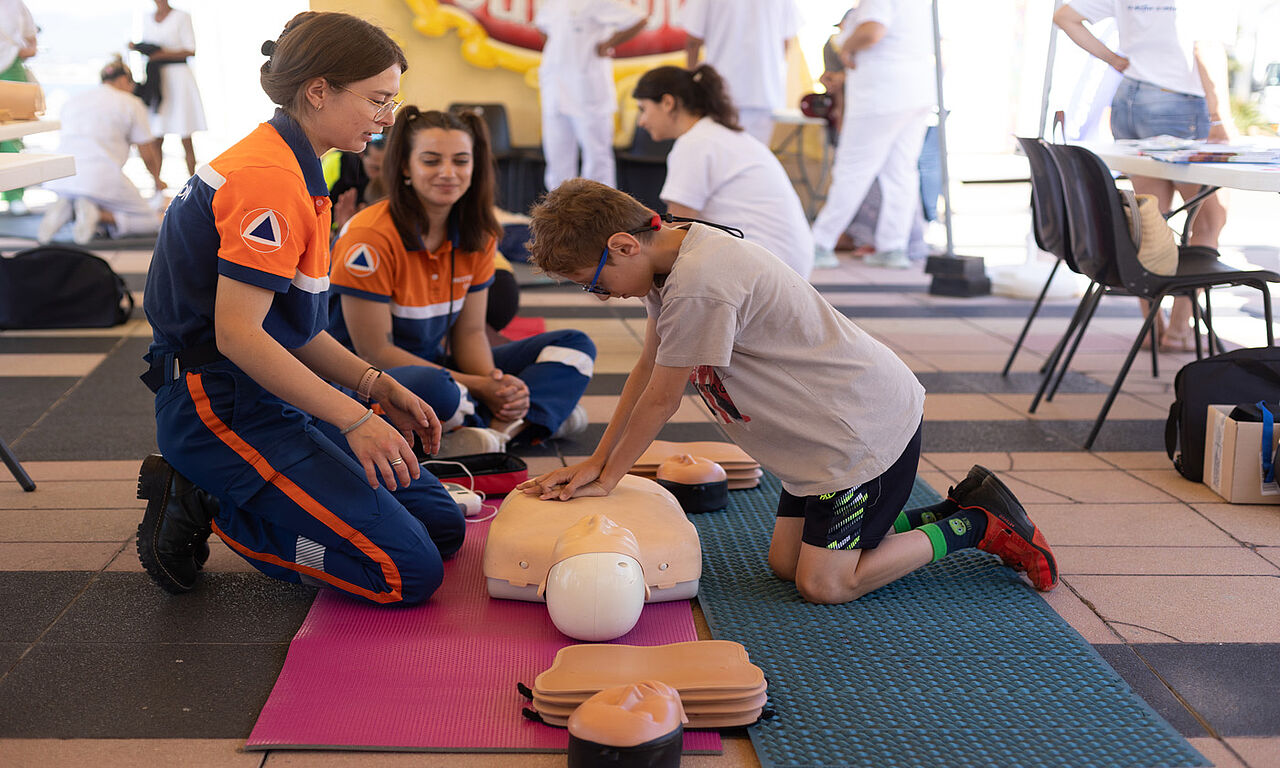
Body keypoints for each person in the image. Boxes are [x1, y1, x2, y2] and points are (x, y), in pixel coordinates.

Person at [517, 179, 1059, 604]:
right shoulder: (669, 254)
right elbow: (647, 367)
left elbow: (662, 398)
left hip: (856, 440)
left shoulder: (701, 283)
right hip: (816, 445)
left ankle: (977, 524)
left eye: (593, 284)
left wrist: (610, 478)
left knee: (825, 585)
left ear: (624, 244)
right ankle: (950, 508)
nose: (600, 297)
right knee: (787, 563)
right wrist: (597, 461)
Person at [137, 12, 464, 606]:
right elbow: (239, 337)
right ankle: (215, 504)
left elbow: (291, 330)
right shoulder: (269, 180)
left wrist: (375, 385)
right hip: (219, 408)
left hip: (267, 391)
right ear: (318, 91)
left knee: (442, 529)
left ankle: (249, 490)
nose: (388, 118)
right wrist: (356, 419)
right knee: (406, 573)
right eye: (377, 100)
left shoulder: (296, 163)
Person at [328, 107, 596, 455]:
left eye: (460, 160)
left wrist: (494, 385)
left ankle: (492, 430)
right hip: (370, 380)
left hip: (439, 369)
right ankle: (532, 421)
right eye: (431, 160)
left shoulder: (479, 233)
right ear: (406, 167)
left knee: (575, 346)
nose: (448, 173)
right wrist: (480, 387)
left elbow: (470, 334)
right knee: (435, 386)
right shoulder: (368, 236)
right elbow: (375, 353)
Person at [1053, 0, 1235, 352]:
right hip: (1179, 102)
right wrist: (1218, 117)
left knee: (1151, 219)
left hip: (1130, 98)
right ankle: (1179, 328)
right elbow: (1206, 47)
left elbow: (1065, 17)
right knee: (1212, 216)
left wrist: (1113, 59)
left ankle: (1153, 326)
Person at [632, 64, 814, 279]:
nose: (641, 122)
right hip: (787, 265)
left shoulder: (695, 143)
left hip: (768, 269)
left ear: (668, 103)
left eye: (643, 109)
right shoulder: (717, 135)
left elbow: (676, 228)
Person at [810, 0, 935, 271]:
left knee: (852, 168)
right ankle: (893, 246)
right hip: (916, 90)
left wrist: (846, 45)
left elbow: (872, 31)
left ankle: (820, 242)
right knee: (901, 171)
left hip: (881, 93)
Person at [38, 56, 165, 245]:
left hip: (61, 176)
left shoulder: (74, 100)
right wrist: (157, 181)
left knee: (89, 195)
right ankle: (99, 215)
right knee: (152, 220)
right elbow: (146, 152)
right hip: (102, 174)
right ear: (124, 80)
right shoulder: (130, 102)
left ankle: (72, 208)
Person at [533, 0, 647, 191]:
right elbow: (542, 26)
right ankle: (558, 213)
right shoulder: (551, 3)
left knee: (597, 157)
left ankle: (601, 214)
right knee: (556, 155)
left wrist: (607, 44)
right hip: (555, 89)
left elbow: (638, 20)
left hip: (587, 90)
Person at [677, 0, 799, 146]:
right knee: (754, 156)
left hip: (721, 91)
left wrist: (691, 82)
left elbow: (693, 41)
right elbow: (786, 42)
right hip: (764, 90)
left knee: (720, 154)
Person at [131, 0, 207, 180]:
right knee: (157, 134)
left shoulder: (182, 16)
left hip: (179, 77)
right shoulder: (147, 18)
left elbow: (190, 50)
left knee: (186, 134)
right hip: (157, 79)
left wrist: (161, 54)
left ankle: (192, 183)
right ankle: (157, 184)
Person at [0, 0, 38, 215]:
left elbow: (32, 41)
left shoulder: (16, 5)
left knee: (13, 134)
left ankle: (15, 195)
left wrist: (15, 51)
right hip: (11, 68)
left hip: (12, 71)